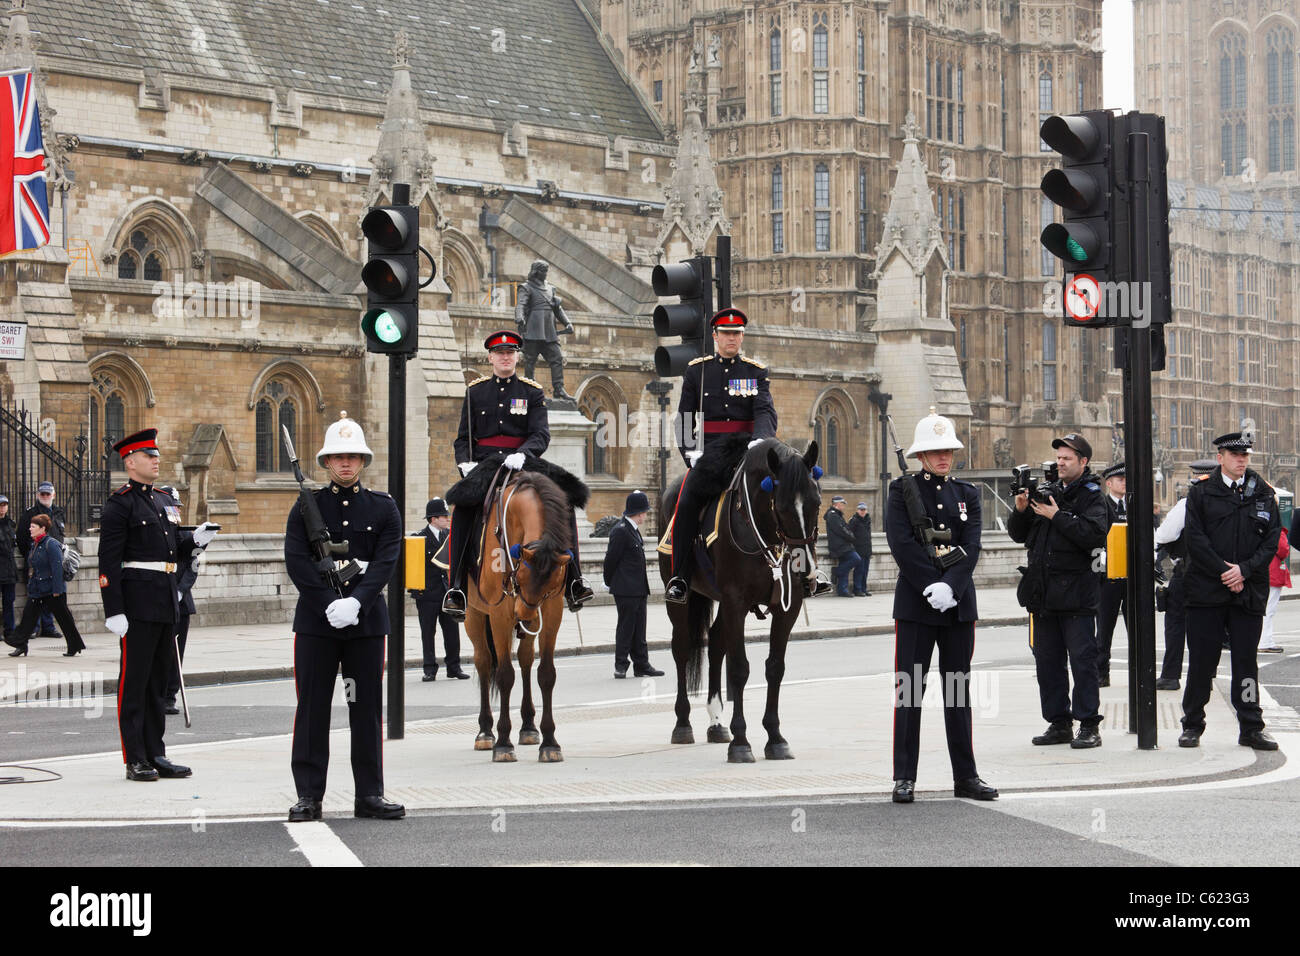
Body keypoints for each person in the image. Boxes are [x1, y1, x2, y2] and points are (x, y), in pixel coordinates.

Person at [285, 412, 406, 821]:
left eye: (353, 456)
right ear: (325, 463)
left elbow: (388, 560)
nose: (345, 464)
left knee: (366, 709)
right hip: (318, 627)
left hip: (366, 625)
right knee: (313, 709)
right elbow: (298, 562)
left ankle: (369, 795)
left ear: (363, 461)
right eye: (337, 457)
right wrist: (327, 604)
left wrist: (357, 602)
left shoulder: (384, 508)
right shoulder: (306, 508)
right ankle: (309, 796)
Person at [443, 329, 593, 620]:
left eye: (510, 353)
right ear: (490, 358)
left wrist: (523, 453)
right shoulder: (475, 391)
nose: (505, 357)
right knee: (462, 507)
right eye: (500, 353)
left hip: (522, 462)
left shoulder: (531, 391)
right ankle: (457, 587)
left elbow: (541, 434)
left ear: (516, 357)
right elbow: (463, 438)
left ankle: (574, 580)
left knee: (564, 500)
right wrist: (465, 464)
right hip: (485, 464)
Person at [886, 410, 995, 804]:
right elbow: (902, 544)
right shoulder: (901, 491)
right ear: (921, 456)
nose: (943, 457)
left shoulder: (967, 494)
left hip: (957, 606)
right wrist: (929, 583)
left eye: (947, 449)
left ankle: (966, 777)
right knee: (909, 692)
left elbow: (972, 544)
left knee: (957, 692)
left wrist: (951, 586)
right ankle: (904, 776)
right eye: (935, 451)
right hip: (917, 604)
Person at [98, 429, 217, 781]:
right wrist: (113, 609)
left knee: (157, 683)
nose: (156, 460)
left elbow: (172, 551)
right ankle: (135, 757)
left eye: (156, 455)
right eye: (148, 456)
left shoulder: (165, 500)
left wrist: (194, 539)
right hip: (136, 603)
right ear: (130, 462)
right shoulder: (121, 504)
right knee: (134, 682)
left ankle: (156, 752)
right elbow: (109, 561)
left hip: (166, 599)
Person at [665, 307, 782, 604]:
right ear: (715, 336)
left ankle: (803, 570)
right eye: (727, 333)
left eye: (737, 333)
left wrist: (760, 441)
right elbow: (686, 416)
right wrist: (692, 452)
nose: (732, 339)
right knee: (687, 500)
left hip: (748, 450)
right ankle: (679, 575)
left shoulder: (755, 372)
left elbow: (765, 410)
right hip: (710, 454)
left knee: (788, 493)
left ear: (742, 336)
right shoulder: (697, 371)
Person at [1178, 431, 1279, 751]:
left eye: (1245, 455)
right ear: (1220, 457)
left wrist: (1244, 571)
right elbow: (1195, 539)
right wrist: (1225, 571)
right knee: (1202, 662)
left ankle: (1251, 725)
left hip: (1247, 591)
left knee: (1246, 663)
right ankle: (1192, 723)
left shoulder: (1262, 492)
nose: (1241, 460)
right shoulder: (1202, 492)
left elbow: (1271, 540)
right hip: (1207, 591)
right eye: (1235, 455)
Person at [1008, 432, 1108, 749]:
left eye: (1068, 458)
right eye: (1059, 458)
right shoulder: (1047, 491)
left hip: (1077, 594)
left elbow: (1093, 534)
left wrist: (1057, 515)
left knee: (1083, 661)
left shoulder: (1093, 495)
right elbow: (1019, 535)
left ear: (1083, 462)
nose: (1061, 463)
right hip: (1043, 593)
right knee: (1047, 663)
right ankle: (1059, 722)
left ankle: (1089, 724)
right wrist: (1022, 509)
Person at [1154, 460, 1217, 690]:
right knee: (1208, 628)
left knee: (1176, 624)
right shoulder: (1226, 505)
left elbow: (1164, 534)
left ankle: (1171, 675)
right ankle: (1206, 675)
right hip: (1217, 574)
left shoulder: (1187, 504)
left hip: (1188, 573)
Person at [4, 513, 85, 657]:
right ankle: (20, 643)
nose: (29, 529)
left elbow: (57, 567)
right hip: (38, 590)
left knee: (64, 619)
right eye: (30, 526)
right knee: (28, 617)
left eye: (33, 526)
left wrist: (57, 590)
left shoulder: (51, 544)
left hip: (52, 590)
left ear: (43, 529)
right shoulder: (35, 544)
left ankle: (74, 645)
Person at [603, 490, 663, 679]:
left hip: (637, 589)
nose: (646, 515)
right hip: (626, 590)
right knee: (626, 629)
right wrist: (608, 581)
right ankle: (621, 665)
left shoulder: (632, 530)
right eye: (644, 512)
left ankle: (641, 665)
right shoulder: (620, 531)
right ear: (638, 512)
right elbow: (610, 559)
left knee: (639, 629)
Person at [411, 498, 466, 681]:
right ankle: (429, 669)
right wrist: (416, 590)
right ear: (433, 518)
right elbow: (412, 566)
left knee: (452, 633)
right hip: (427, 594)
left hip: (448, 593)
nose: (447, 519)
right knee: (428, 633)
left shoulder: (450, 536)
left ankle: (454, 667)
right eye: (444, 516)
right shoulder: (419, 538)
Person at [159, 486, 201, 716]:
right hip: (158, 600)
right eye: (172, 508)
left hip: (181, 602)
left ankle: (170, 696)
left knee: (176, 653)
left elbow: (193, 568)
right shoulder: (158, 535)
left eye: (177, 508)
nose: (176, 512)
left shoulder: (186, 535)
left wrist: (180, 591)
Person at [515, 259, 576, 402]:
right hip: (533, 328)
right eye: (543, 271)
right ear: (536, 272)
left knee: (557, 358)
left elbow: (557, 309)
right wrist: (519, 317)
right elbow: (521, 305)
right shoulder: (526, 287)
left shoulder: (550, 288)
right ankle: (529, 388)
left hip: (549, 330)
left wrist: (567, 322)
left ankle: (559, 389)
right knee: (530, 361)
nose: (545, 274)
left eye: (546, 271)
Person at [18, 481, 65, 639]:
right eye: (42, 494)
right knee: (36, 597)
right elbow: (22, 538)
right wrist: (32, 556)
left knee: (52, 596)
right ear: (38, 495)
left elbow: (60, 535)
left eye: (48, 494)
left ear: (53, 495)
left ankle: (48, 627)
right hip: (37, 564)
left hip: (54, 562)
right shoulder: (30, 513)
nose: (45, 496)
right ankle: (33, 628)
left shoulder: (58, 512)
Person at [1095, 462, 1128, 688]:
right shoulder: (1102, 506)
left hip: (1130, 576)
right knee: (1104, 629)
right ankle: (1101, 673)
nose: (1125, 483)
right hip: (1107, 577)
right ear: (1108, 483)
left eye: (1126, 479)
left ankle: (1138, 671)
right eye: (1120, 479)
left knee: (1136, 627)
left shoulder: (1133, 506)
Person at [824, 496, 861, 597]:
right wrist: (851, 537)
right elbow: (841, 530)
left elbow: (845, 527)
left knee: (845, 564)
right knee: (856, 559)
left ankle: (842, 590)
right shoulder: (833, 515)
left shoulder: (837, 515)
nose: (844, 506)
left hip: (842, 545)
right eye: (842, 504)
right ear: (837, 504)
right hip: (839, 545)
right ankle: (836, 571)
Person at [1260, 525, 1289, 654]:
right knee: (1269, 610)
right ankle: (1266, 641)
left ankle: (1260, 640)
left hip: (1261, 570)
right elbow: (1283, 550)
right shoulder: (1277, 530)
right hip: (1274, 570)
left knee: (1262, 608)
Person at [0, 495, 16, 641]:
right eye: (1, 505)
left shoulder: (11, 523)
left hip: (9, 569)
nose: (3, 507)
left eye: (5, 505)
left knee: (9, 601)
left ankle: (9, 630)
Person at [849, 502, 872, 596]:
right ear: (857, 510)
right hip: (858, 550)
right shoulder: (854, 520)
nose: (862, 512)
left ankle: (863, 588)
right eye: (861, 510)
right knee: (859, 570)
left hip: (866, 550)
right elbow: (850, 535)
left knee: (865, 571)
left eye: (864, 510)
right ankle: (857, 589)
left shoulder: (868, 520)